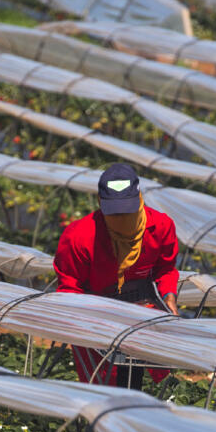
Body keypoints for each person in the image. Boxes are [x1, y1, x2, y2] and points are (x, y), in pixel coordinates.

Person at [54, 163, 179, 388]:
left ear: (139, 198)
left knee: (143, 375)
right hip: (95, 315)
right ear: (100, 203)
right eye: (115, 213)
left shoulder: (160, 227)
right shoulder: (79, 238)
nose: (122, 218)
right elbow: (69, 288)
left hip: (141, 310)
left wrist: (168, 295)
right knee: (106, 388)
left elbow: (165, 270)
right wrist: (89, 321)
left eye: (127, 211)